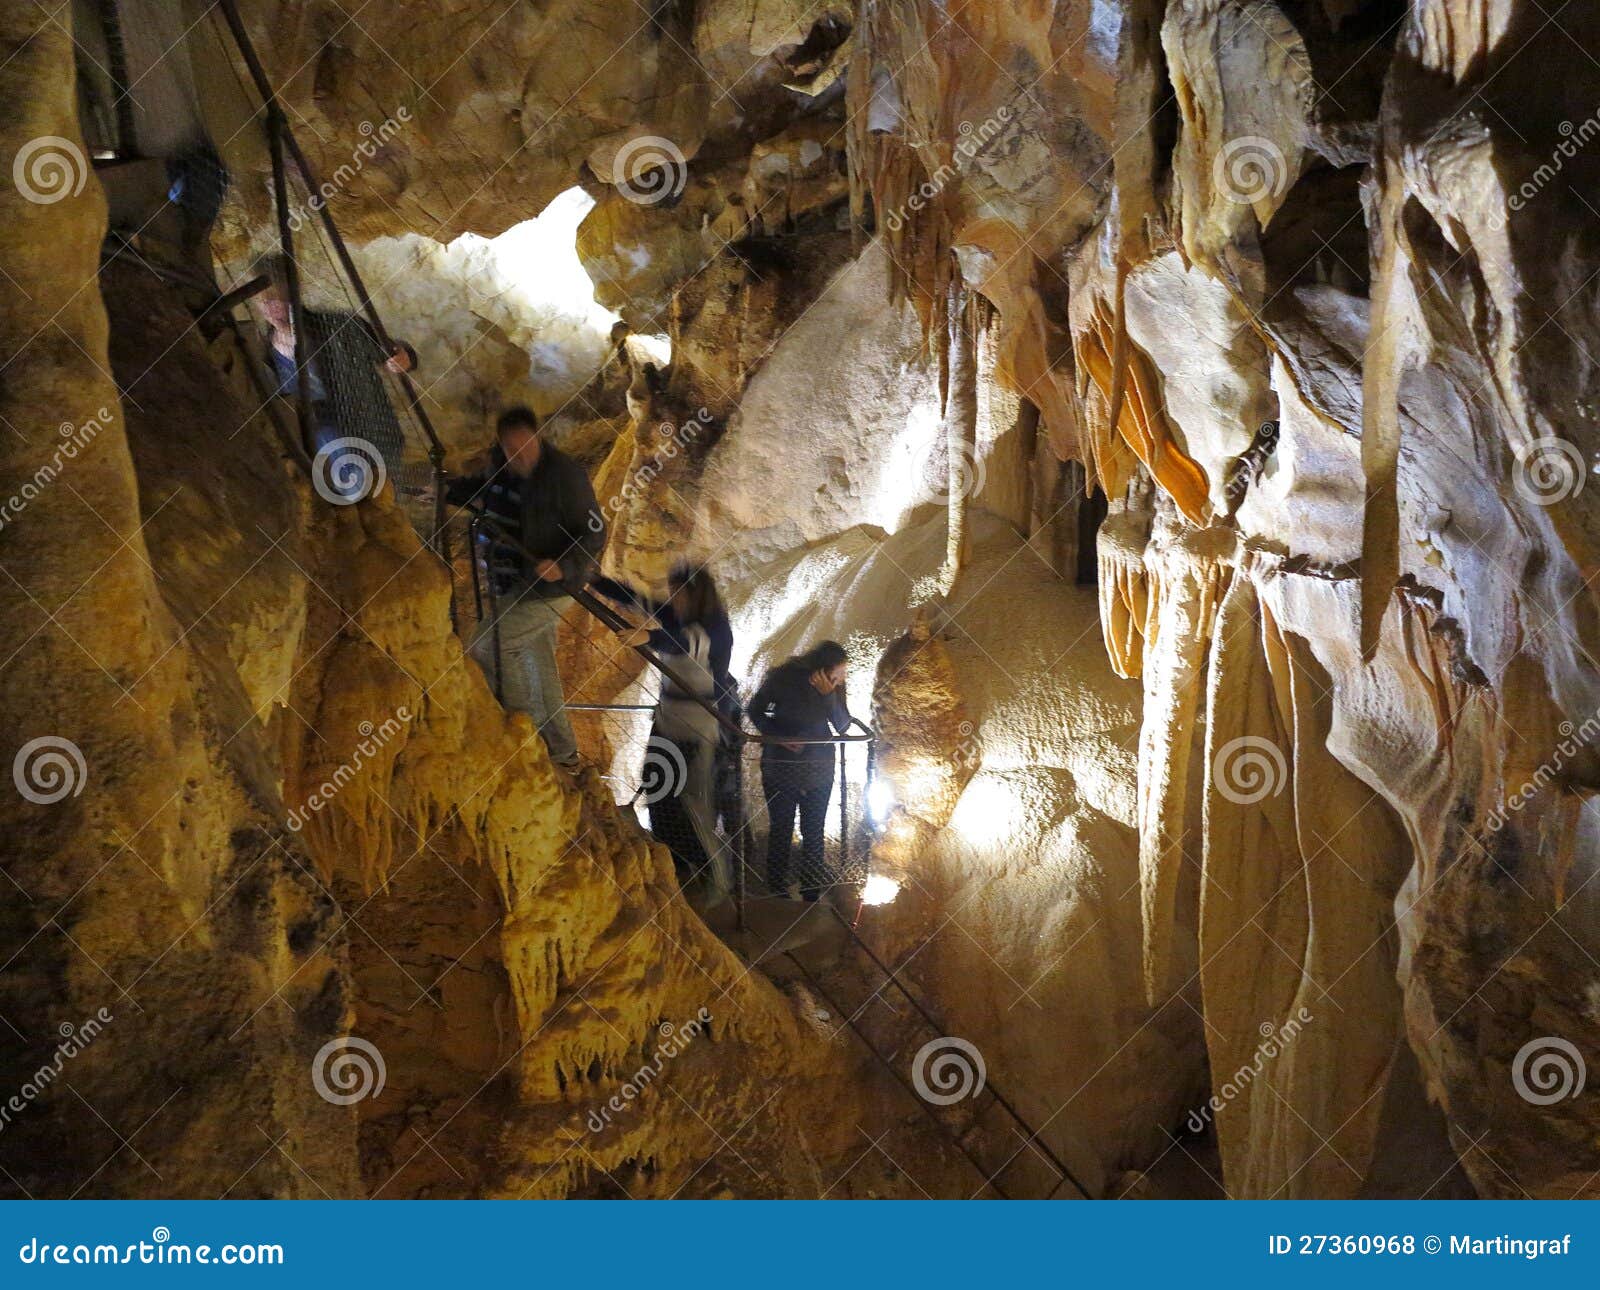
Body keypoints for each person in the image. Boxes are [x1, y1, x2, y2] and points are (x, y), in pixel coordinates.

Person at [445, 407, 605, 769]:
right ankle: (563, 755)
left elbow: (594, 532)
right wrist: (446, 491)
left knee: (490, 644)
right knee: (541, 670)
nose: (521, 456)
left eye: (526, 447)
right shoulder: (501, 464)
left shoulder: (564, 476)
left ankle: (523, 732)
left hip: (548, 588)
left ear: (538, 438)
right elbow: (482, 490)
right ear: (502, 445)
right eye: (512, 449)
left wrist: (562, 564)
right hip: (514, 581)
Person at [598, 565, 736, 899]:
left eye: (678, 593)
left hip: (701, 728)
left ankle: (717, 883)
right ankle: (673, 867)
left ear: (695, 593)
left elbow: (687, 643)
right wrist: (589, 578)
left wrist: (648, 638)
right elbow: (635, 598)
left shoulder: (716, 628)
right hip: (669, 722)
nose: (672, 600)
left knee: (695, 805)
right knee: (658, 793)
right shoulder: (678, 615)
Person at [251, 254, 417, 498]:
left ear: (296, 293)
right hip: (312, 446)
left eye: (280, 299)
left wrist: (404, 357)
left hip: (365, 432)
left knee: (373, 501)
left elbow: (393, 351)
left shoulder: (341, 327)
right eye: (265, 302)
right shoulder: (262, 350)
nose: (273, 309)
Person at [749, 641, 854, 902]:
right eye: (837, 674)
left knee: (813, 829)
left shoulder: (833, 689)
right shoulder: (784, 678)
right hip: (781, 767)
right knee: (782, 827)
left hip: (818, 770)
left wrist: (829, 695)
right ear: (819, 670)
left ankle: (811, 893)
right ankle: (777, 889)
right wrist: (777, 736)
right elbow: (757, 709)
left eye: (842, 676)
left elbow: (842, 726)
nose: (841, 681)